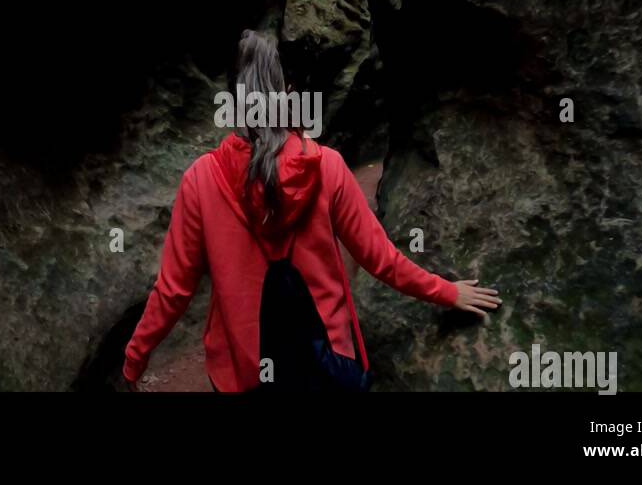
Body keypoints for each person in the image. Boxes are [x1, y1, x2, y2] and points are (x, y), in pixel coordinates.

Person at [123, 29, 501, 392]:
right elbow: (380, 258)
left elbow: (173, 290)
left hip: (242, 371)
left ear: (231, 103)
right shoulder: (327, 167)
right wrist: (447, 292)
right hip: (324, 363)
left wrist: (135, 358)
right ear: (288, 94)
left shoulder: (200, 180)